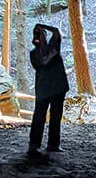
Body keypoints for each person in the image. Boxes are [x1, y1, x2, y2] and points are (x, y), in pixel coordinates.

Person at [28, 23, 69, 160]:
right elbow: (56, 32)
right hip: (52, 88)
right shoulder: (51, 49)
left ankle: (41, 144)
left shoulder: (38, 53)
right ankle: (44, 144)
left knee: (48, 117)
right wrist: (43, 28)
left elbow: (57, 32)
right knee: (45, 117)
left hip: (48, 88)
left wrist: (40, 28)